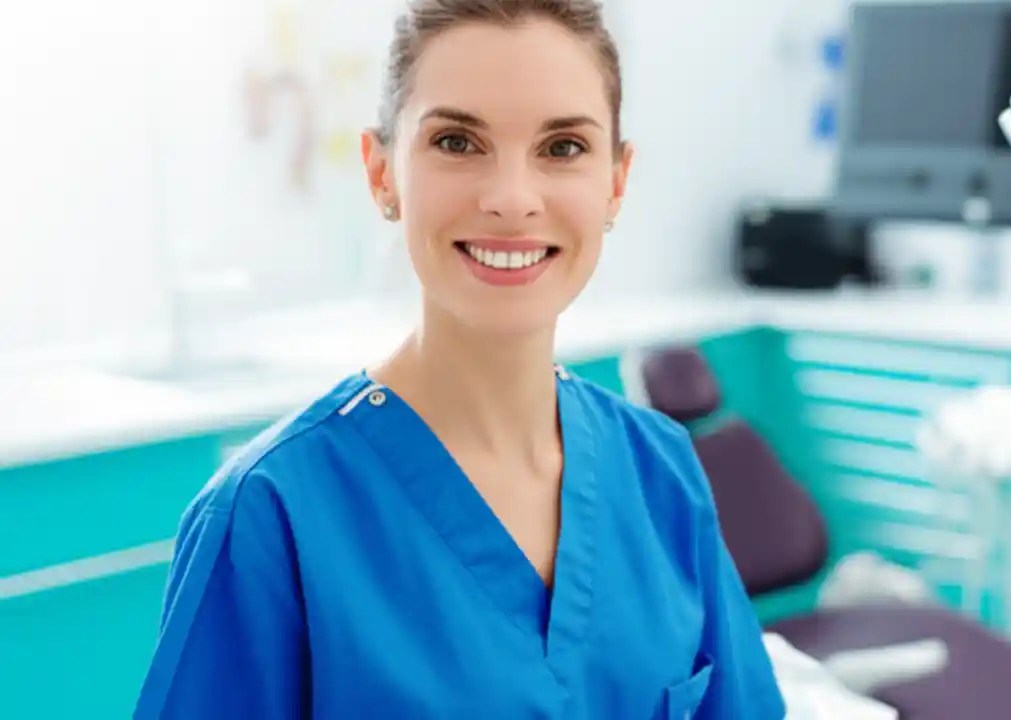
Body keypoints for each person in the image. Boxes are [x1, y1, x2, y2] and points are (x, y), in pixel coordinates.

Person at [132, 1, 786, 718]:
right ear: (382, 173)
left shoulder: (660, 472)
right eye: (456, 142)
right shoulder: (269, 515)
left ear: (616, 182)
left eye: (562, 147)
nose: (511, 198)